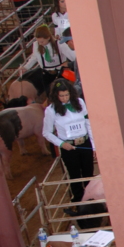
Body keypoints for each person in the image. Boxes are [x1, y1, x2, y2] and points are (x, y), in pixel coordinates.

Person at [42, 79, 95, 207]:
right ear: (56, 95)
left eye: (66, 95)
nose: (65, 98)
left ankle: (92, 201)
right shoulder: (51, 110)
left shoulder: (80, 103)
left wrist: (93, 146)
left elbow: (88, 123)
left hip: (84, 142)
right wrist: (61, 144)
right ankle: (79, 204)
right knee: (75, 176)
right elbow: (46, 132)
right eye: (61, 96)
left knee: (88, 173)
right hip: (69, 146)